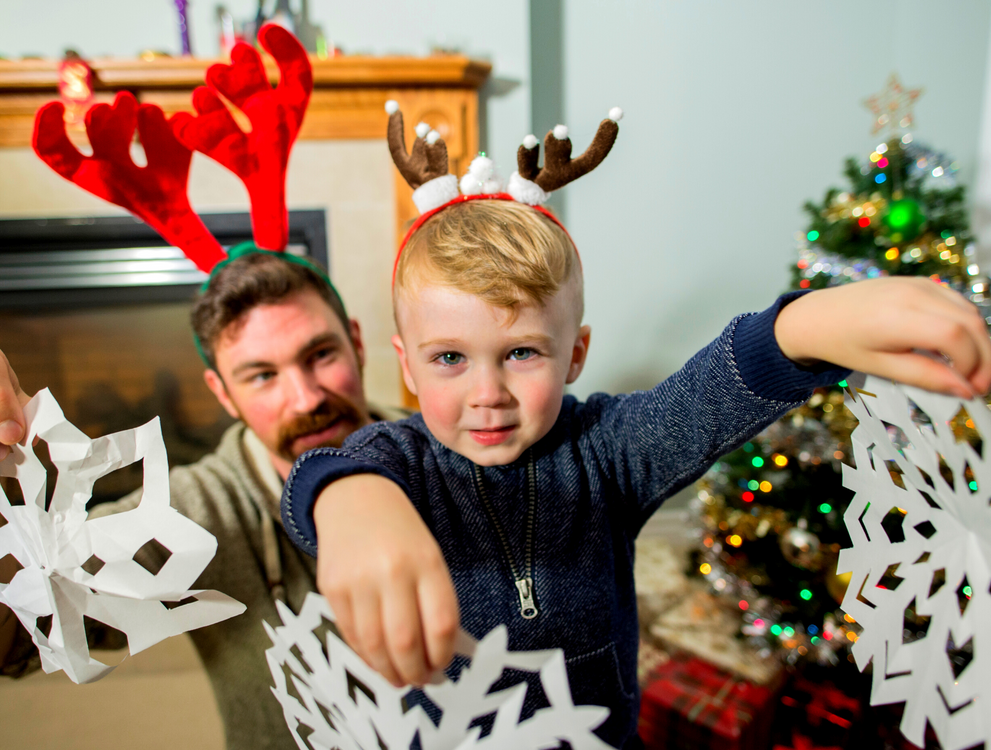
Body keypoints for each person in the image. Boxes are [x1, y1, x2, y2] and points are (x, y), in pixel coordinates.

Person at [278, 194, 991, 748]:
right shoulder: (396, 458)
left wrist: (799, 330)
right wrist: (352, 502)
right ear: (405, 364)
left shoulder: (608, 448)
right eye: (449, 359)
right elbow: (325, 470)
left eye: (522, 352)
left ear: (576, 353)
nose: (486, 393)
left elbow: (701, 399)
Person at [0, 250, 411, 750]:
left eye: (320, 355)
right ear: (222, 393)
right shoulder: (197, 510)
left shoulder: (449, 452)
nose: (305, 398)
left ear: (357, 344)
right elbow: (14, 632)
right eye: (262, 376)